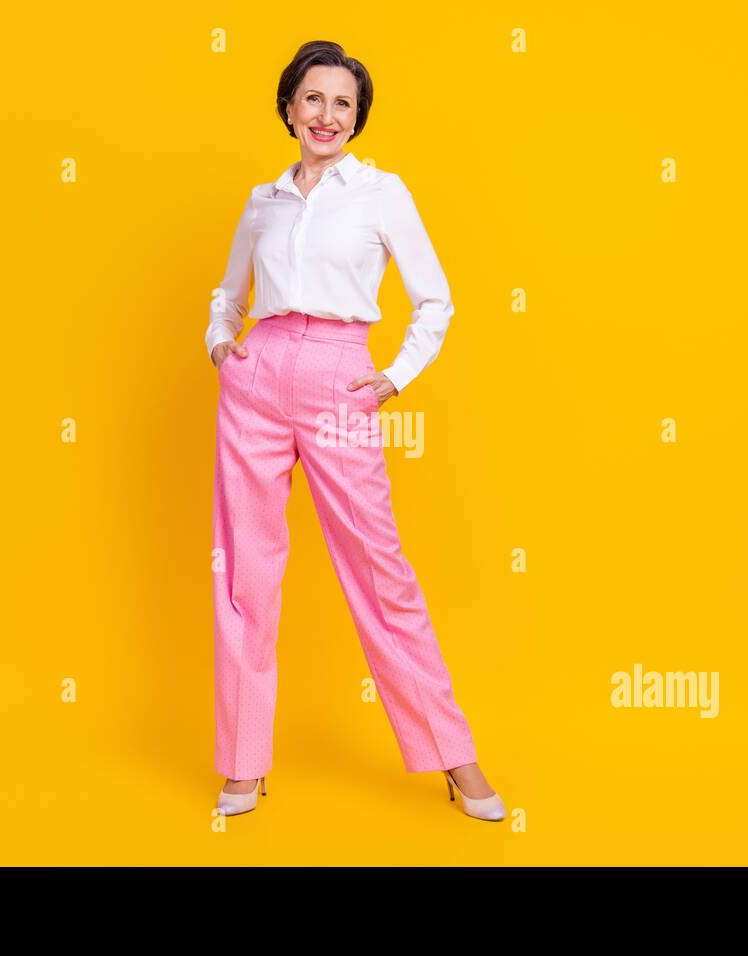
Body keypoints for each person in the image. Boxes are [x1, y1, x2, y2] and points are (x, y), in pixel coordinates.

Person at [206, 40, 503, 822]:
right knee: (243, 573)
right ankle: (243, 762)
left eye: (342, 103)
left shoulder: (381, 194)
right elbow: (228, 295)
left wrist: (394, 375)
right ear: (289, 108)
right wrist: (220, 345)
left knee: (379, 567)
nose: (326, 115)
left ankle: (451, 753)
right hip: (258, 377)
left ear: (356, 116)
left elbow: (433, 300)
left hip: (340, 376)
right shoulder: (264, 200)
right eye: (313, 100)